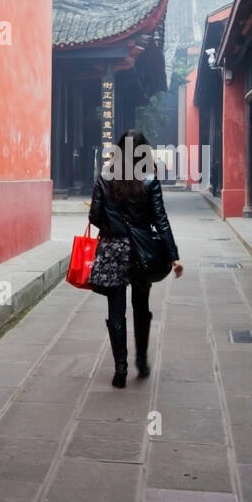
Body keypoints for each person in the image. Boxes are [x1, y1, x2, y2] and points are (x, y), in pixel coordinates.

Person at [88, 129, 184, 388]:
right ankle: (141, 362)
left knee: (115, 310)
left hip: (113, 250)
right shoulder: (150, 180)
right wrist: (173, 256)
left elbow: (94, 216)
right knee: (141, 306)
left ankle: (120, 369)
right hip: (141, 252)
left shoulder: (105, 177)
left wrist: (112, 225)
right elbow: (160, 220)